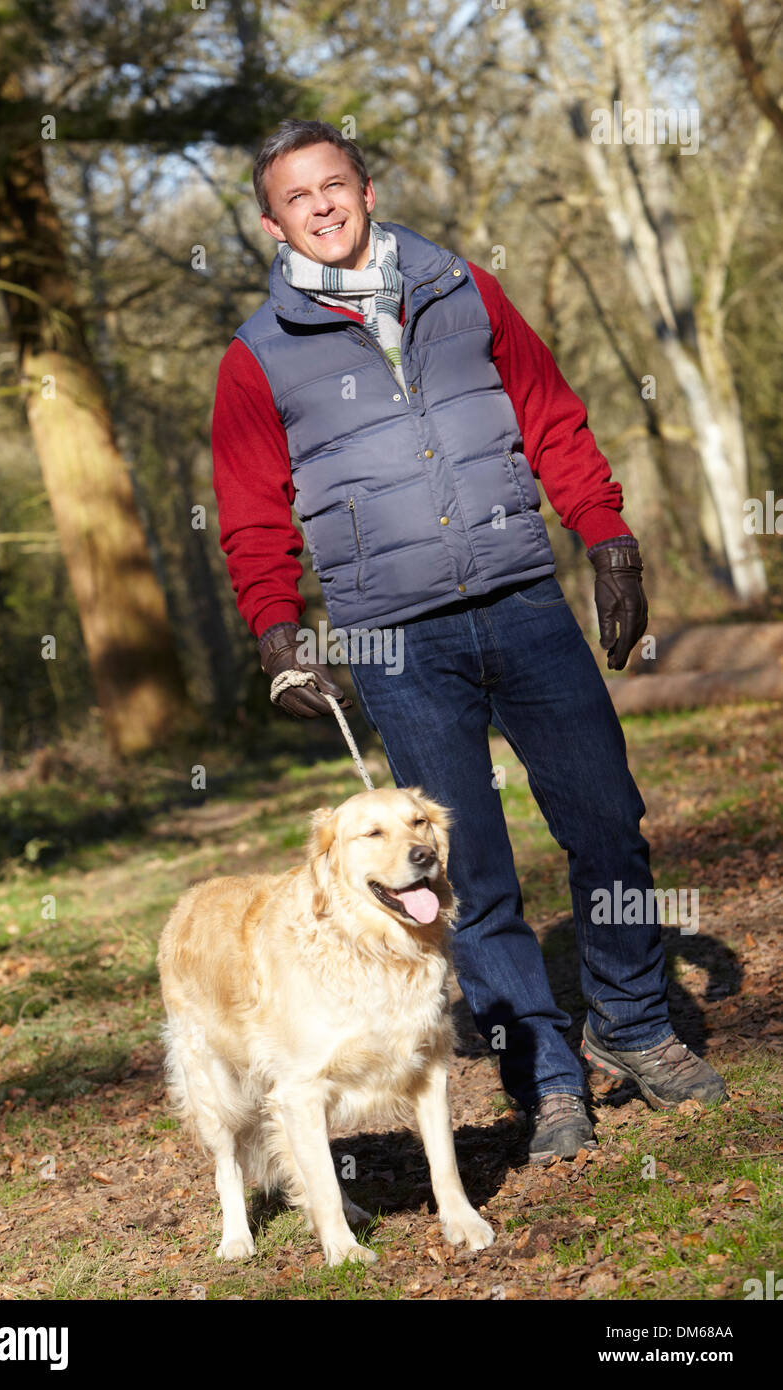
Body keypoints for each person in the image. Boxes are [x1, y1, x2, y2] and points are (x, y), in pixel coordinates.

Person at [211, 119, 726, 1162]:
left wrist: (608, 540)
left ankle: (632, 1022)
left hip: (520, 599)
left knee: (606, 821)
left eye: (335, 183)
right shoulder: (255, 357)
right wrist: (276, 631)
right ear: (273, 224)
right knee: (457, 870)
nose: (321, 204)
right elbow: (250, 509)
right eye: (297, 197)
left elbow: (552, 421)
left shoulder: (464, 291)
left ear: (362, 186)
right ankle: (542, 1070)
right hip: (394, 638)